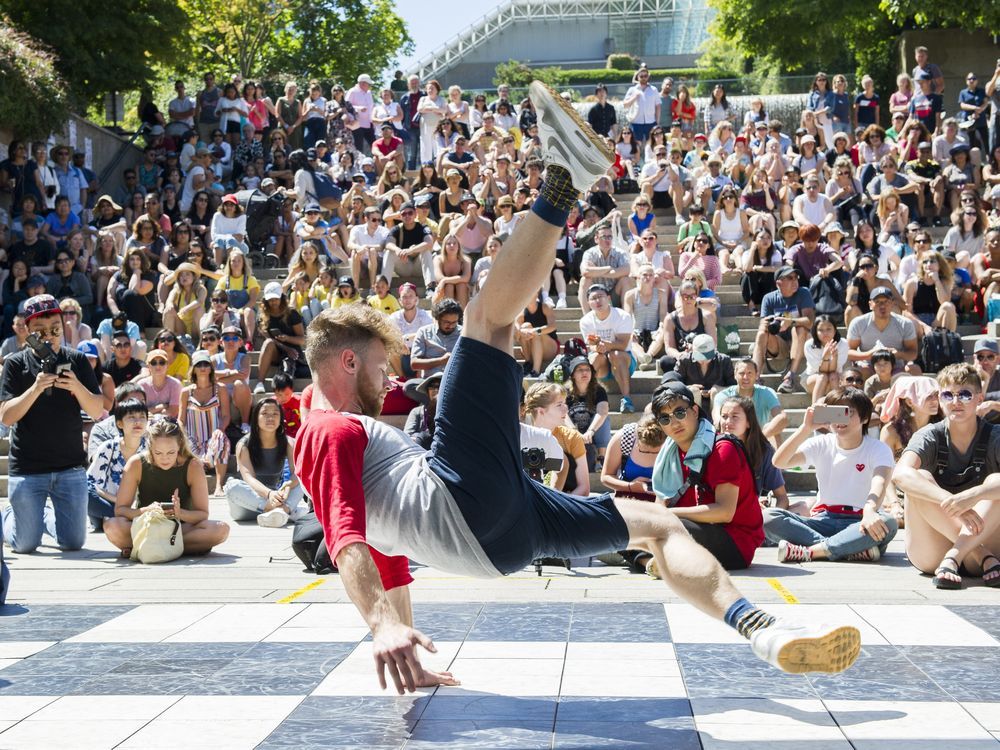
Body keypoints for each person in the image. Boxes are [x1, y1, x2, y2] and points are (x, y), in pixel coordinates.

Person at [292, 82, 861, 693]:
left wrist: (407, 645)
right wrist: (380, 626)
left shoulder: (347, 431)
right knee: (486, 320)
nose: (388, 379)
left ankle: (765, 632)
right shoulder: (328, 429)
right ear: (346, 363)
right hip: (468, 505)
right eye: (379, 366)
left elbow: (388, 554)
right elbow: (346, 535)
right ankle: (564, 176)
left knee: (657, 524)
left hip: (502, 539)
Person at [0, 295, 104, 553]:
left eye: (55, 329)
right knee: (25, 544)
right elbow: (6, 417)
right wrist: (35, 389)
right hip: (27, 469)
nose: (49, 336)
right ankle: (6, 517)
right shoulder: (15, 363)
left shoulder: (78, 361)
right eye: (41, 331)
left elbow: (97, 409)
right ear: (28, 331)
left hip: (70, 468)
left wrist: (76, 386)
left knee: (72, 542)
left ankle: (40, 516)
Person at [892, 364, 1000, 588]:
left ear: (979, 398)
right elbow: (900, 474)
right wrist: (949, 500)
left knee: (994, 484)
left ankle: (955, 556)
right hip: (934, 551)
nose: (955, 401)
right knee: (919, 477)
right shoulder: (929, 435)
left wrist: (973, 495)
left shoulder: (995, 436)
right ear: (940, 400)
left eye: (964, 394)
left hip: (987, 539)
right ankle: (975, 554)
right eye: (948, 394)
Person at [768, 388, 898, 562]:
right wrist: (806, 428)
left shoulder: (878, 448)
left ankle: (811, 552)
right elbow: (779, 462)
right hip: (823, 519)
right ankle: (848, 549)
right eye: (835, 413)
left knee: (889, 522)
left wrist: (870, 509)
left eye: (848, 413)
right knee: (768, 517)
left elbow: (879, 483)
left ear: (865, 418)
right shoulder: (821, 443)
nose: (840, 420)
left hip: (860, 521)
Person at [650, 382, 763, 571]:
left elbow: (725, 513)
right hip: (692, 528)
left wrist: (667, 516)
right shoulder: (669, 453)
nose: (674, 423)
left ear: (695, 410)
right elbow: (660, 506)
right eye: (664, 419)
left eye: (679, 413)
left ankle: (656, 558)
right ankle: (652, 563)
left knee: (669, 526)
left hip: (734, 543)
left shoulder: (722, 449)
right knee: (631, 522)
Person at [105, 418, 230, 557]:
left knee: (220, 530)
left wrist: (180, 513)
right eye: (158, 453)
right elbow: (120, 510)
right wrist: (146, 510)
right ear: (150, 447)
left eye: (171, 452)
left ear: (180, 445)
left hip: (180, 528)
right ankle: (176, 547)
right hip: (146, 527)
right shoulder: (136, 463)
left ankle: (146, 546)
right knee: (112, 526)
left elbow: (202, 514)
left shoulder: (193, 466)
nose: (165, 458)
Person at [226, 396, 305, 527]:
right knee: (232, 486)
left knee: (302, 481)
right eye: (264, 414)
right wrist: (269, 495)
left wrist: (288, 485)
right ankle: (285, 511)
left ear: (281, 418)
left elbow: (297, 472)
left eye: (275, 414)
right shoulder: (244, 444)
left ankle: (281, 512)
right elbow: (248, 478)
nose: (270, 418)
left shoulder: (289, 442)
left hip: (276, 496)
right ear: (256, 418)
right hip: (249, 502)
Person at [716, 396, 791, 511]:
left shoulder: (763, 450)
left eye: (735, 417)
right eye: (724, 416)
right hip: (721, 514)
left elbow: (782, 497)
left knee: (801, 507)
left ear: (748, 422)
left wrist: (772, 515)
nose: (728, 422)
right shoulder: (712, 448)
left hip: (753, 517)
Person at [87, 398, 147, 532]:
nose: (138, 422)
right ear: (119, 424)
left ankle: (118, 520)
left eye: (142, 417)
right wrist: (119, 503)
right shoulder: (109, 447)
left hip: (138, 506)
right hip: (107, 502)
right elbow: (91, 483)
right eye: (131, 417)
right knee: (83, 492)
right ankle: (124, 519)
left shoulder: (150, 449)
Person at [752, 266, 816, 394]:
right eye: (790, 278)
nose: (795, 281)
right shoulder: (769, 298)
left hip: (800, 342)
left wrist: (790, 321)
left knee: (800, 328)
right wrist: (770, 323)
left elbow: (810, 322)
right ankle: (756, 377)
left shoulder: (803, 292)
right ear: (778, 283)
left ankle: (790, 377)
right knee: (761, 334)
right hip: (779, 344)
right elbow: (763, 324)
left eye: (796, 277)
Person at [523, 383, 589, 496]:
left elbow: (584, 488)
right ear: (541, 411)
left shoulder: (572, 437)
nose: (566, 409)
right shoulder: (524, 436)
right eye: (559, 405)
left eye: (565, 403)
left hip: (567, 503)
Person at [180, 350, 231, 497]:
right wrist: (183, 436)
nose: (202, 367)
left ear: (211, 368)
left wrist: (220, 429)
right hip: (192, 439)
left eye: (206, 364)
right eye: (199, 364)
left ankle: (219, 486)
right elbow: (180, 419)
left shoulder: (220, 389)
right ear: (193, 369)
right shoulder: (186, 392)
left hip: (212, 439)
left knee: (221, 438)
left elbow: (226, 415)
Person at [579, 283, 636, 414]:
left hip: (624, 362)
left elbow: (623, 344)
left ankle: (626, 399)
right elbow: (591, 345)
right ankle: (585, 399)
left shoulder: (622, 316)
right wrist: (598, 347)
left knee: (615, 354)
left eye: (600, 296)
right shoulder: (585, 321)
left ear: (608, 298)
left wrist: (606, 345)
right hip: (603, 363)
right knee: (594, 358)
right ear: (588, 302)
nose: (597, 301)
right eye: (593, 298)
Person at [846, 285, 920, 377]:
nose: (882, 306)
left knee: (914, 369)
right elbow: (848, 352)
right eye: (877, 302)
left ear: (892, 303)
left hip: (896, 367)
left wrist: (898, 354)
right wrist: (868, 355)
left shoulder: (905, 324)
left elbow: (913, 353)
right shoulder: (858, 323)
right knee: (858, 372)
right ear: (870, 305)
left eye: (886, 302)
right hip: (868, 367)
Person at [713, 358, 787, 444]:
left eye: (749, 373)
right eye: (741, 373)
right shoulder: (723, 395)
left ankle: (776, 457)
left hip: (759, 440)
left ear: (756, 375)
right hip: (732, 438)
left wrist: (760, 437)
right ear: (735, 375)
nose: (745, 377)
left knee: (774, 431)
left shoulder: (767, 393)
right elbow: (717, 419)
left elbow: (782, 418)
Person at [255, 282, 307, 391]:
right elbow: (268, 340)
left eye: (276, 299)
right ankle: (260, 383)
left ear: (282, 298)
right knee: (269, 343)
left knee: (270, 343)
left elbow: (302, 339)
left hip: (293, 353)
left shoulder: (292, 313)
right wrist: (284, 346)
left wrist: (287, 338)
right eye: (270, 299)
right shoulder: (262, 317)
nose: (273, 302)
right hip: (275, 351)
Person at [669, 333, 736, 413]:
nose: (703, 360)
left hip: (718, 400)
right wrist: (688, 388)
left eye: (707, 356)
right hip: (691, 401)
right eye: (700, 356)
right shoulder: (684, 360)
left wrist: (718, 389)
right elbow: (673, 384)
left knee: (716, 392)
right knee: (694, 391)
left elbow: (734, 387)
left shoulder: (724, 360)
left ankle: (717, 421)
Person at [409, 297, 462, 377]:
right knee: (409, 386)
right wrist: (442, 361)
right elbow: (414, 364)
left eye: (454, 322)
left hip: (455, 380)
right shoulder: (424, 332)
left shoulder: (463, 333)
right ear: (438, 319)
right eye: (447, 322)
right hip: (430, 382)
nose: (451, 326)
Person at [212, 325, 253, 428]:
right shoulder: (214, 359)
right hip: (220, 397)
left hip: (239, 400)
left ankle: (245, 423)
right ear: (221, 342)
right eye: (226, 338)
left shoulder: (245, 358)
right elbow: (208, 376)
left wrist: (219, 377)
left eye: (235, 338)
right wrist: (229, 373)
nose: (230, 341)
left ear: (240, 343)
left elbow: (243, 375)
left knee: (239, 384)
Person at [804, 315, 850, 404]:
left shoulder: (843, 343)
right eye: (821, 330)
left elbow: (834, 370)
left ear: (835, 330)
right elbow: (821, 371)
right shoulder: (809, 345)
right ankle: (815, 409)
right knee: (823, 377)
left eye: (828, 329)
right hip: (813, 378)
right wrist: (825, 357)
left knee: (833, 376)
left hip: (835, 378)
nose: (825, 333)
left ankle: (838, 409)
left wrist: (834, 356)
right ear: (815, 331)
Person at [404, 374, 440, 450]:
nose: (436, 390)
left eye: (439, 386)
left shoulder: (450, 412)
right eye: (432, 386)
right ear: (427, 391)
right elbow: (407, 435)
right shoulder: (417, 411)